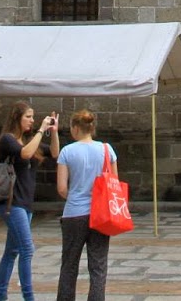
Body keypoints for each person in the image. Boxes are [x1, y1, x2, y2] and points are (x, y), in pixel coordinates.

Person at [0, 102, 61, 301]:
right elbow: (25, 154)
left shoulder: (30, 140)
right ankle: (28, 297)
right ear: (17, 118)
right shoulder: (8, 140)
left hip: (26, 202)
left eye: (33, 117)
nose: (32, 120)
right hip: (11, 203)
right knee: (27, 249)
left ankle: (0, 295)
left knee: (12, 251)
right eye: (28, 117)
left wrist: (53, 131)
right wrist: (41, 129)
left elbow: (54, 153)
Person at [53, 109, 116, 301]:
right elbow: (114, 182)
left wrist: (75, 198)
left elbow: (62, 188)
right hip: (100, 214)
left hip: (74, 213)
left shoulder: (67, 151)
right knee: (98, 266)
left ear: (75, 128)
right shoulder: (107, 149)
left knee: (69, 265)